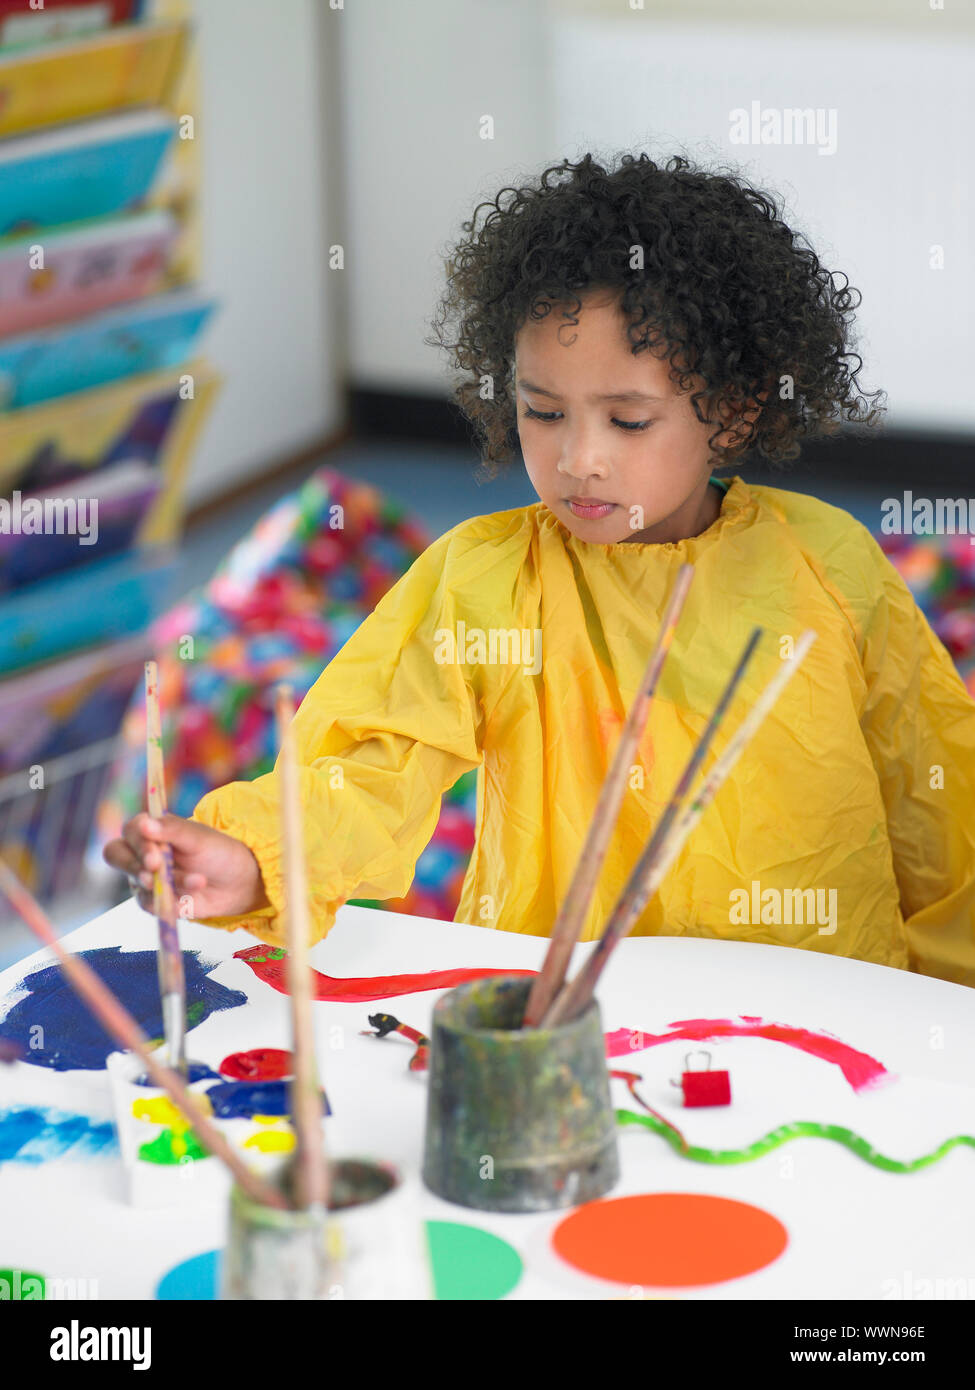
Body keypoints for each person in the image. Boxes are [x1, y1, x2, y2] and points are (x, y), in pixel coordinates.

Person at [104, 152, 975, 987]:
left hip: (822, 1007)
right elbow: (369, 764)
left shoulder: (828, 562)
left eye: (627, 421)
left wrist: (949, 998)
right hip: (568, 1014)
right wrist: (255, 856)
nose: (577, 459)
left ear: (733, 412)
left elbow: (936, 805)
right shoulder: (482, 579)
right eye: (543, 411)